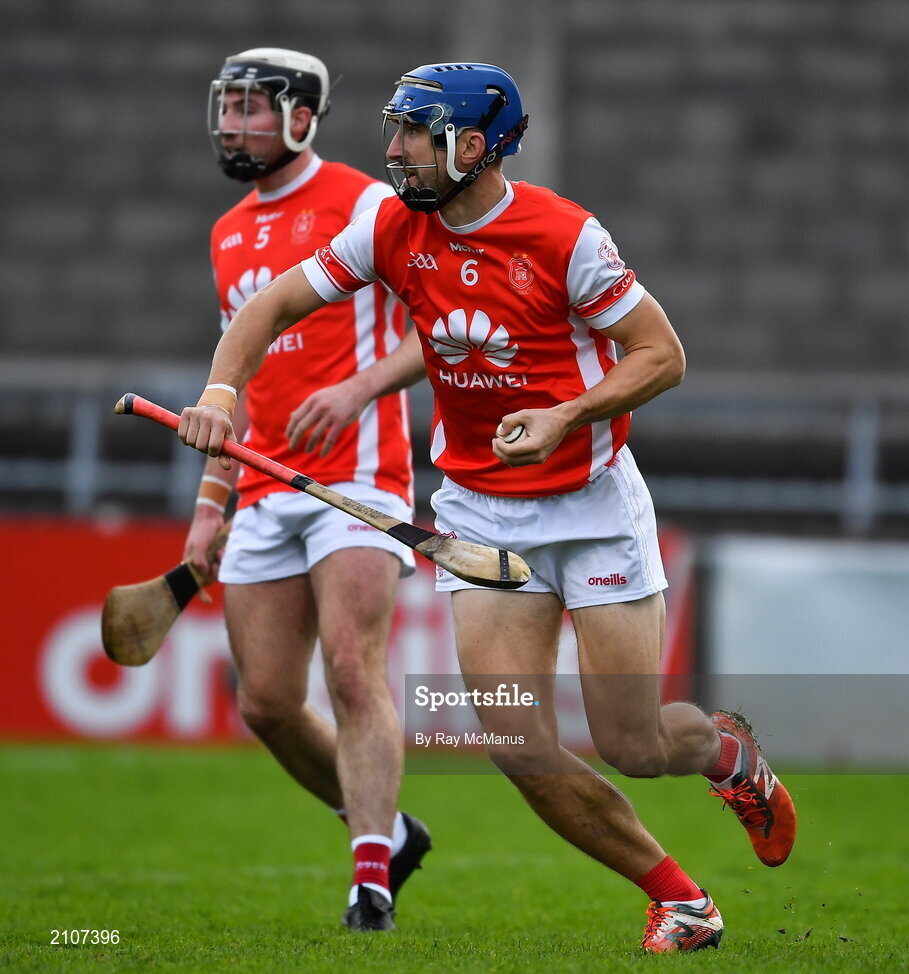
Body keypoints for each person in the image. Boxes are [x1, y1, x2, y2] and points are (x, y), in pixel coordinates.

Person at [178, 61, 797, 952]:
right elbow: (273, 304)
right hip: (481, 517)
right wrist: (223, 395)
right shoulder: (390, 225)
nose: (391, 151)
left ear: (471, 147)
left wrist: (565, 414)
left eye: (412, 134)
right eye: (393, 130)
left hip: (590, 509)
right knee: (517, 747)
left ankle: (728, 755)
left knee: (632, 743)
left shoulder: (565, 236)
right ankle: (681, 898)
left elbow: (661, 355)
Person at [183, 48, 430, 933]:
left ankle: (369, 881)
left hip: (358, 477)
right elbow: (235, 379)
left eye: (252, 107)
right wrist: (210, 507)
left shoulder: (369, 202)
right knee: (266, 702)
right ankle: (389, 832)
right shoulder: (225, 232)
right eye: (229, 106)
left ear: (301, 117)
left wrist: (363, 386)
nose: (233, 122)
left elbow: (433, 330)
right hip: (262, 482)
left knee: (354, 670)